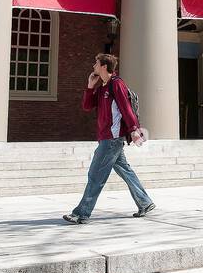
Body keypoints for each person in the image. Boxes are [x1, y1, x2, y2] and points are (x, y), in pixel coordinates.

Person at [64, 53, 154, 224]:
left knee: (95, 175)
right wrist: (90, 86)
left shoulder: (116, 84)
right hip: (106, 136)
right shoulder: (103, 87)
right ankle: (145, 202)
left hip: (112, 138)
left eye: (96, 63)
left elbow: (126, 107)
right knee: (125, 171)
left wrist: (134, 129)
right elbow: (87, 106)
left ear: (104, 66)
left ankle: (81, 213)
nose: (93, 66)